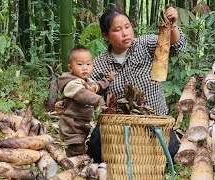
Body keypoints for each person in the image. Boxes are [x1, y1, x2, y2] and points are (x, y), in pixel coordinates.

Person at [56, 6, 187, 162]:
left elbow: (175, 45)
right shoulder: (99, 64)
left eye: (127, 27)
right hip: (118, 126)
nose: (125, 33)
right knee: (95, 151)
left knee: (171, 154)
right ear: (106, 36)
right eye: (117, 30)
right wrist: (65, 102)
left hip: (155, 120)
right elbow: (86, 92)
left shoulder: (145, 44)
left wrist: (171, 25)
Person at [58, 45, 116, 157]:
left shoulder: (88, 81)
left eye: (88, 64)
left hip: (82, 123)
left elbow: (97, 86)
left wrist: (108, 80)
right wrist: (99, 100)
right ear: (70, 67)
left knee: (80, 145)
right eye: (80, 64)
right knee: (76, 147)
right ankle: (73, 166)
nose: (85, 68)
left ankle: (75, 162)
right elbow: (83, 94)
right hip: (72, 123)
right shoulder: (71, 83)